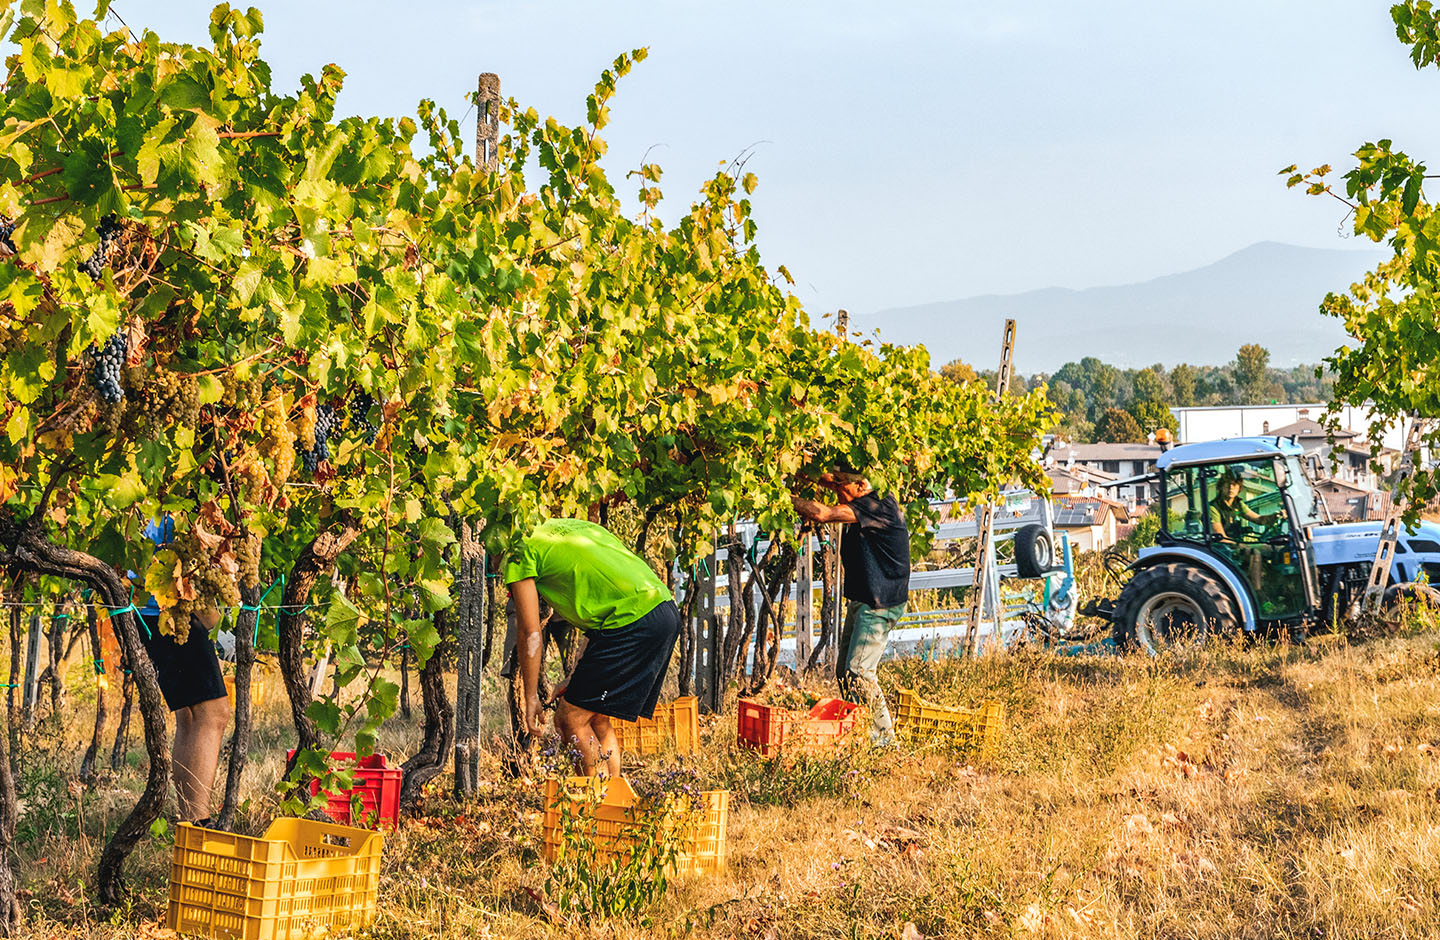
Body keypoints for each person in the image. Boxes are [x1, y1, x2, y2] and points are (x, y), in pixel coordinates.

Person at [506, 518, 681, 777]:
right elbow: (602, 609)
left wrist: (530, 697)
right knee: (596, 717)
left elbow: (530, 632)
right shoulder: (568, 527)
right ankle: (613, 794)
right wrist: (576, 676)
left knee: (569, 720)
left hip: (632, 622)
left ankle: (594, 799)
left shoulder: (517, 553)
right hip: (661, 608)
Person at [791, 467, 910, 746]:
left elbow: (823, 514)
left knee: (859, 672)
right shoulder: (859, 493)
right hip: (865, 598)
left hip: (879, 603)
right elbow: (832, 482)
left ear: (861, 486)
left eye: (843, 488)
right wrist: (796, 470)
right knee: (845, 673)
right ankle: (859, 732)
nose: (838, 493)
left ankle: (884, 742)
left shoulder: (877, 506)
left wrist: (783, 499)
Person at [132, 518, 230, 826]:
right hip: (169, 606)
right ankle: (198, 822)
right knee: (212, 713)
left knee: (190, 715)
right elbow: (191, 556)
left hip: (149, 605)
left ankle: (189, 820)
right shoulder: (184, 503)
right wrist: (216, 620)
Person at [1208, 469, 1276, 543]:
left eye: (1234, 485)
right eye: (1227, 485)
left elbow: (1259, 520)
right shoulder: (1213, 508)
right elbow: (1221, 538)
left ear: (1239, 488)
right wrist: (1241, 545)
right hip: (1222, 547)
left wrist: (1276, 516)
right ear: (1221, 487)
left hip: (1236, 543)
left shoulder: (1237, 504)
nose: (1231, 488)